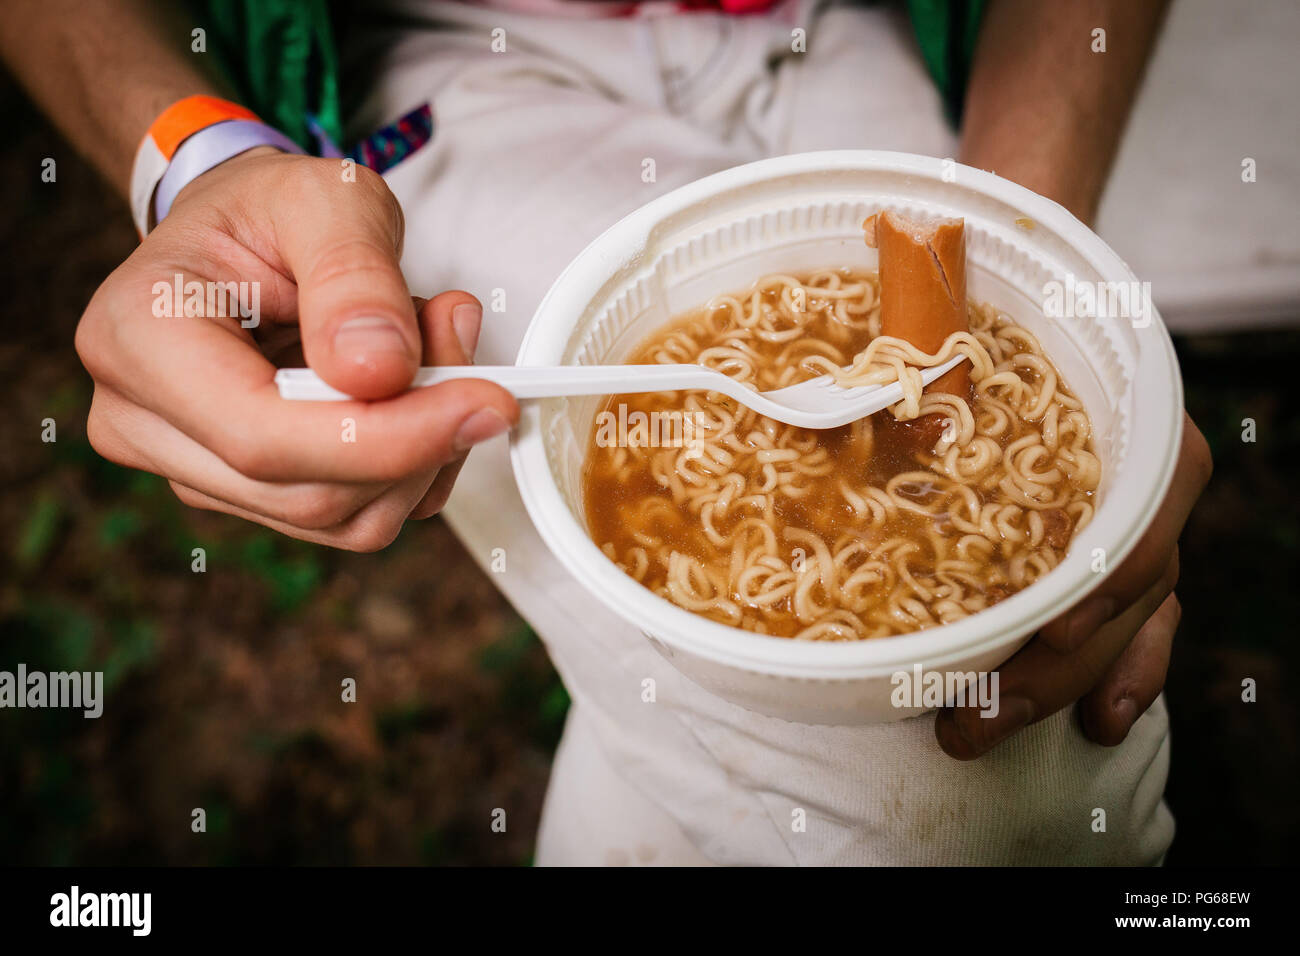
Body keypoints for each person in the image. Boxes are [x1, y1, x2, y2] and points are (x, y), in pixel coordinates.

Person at [1, 0, 1211, 864]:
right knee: (964, 792)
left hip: (874, 26)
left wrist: (1024, 260)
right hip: (452, 51)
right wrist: (197, 157)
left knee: (1020, 671)